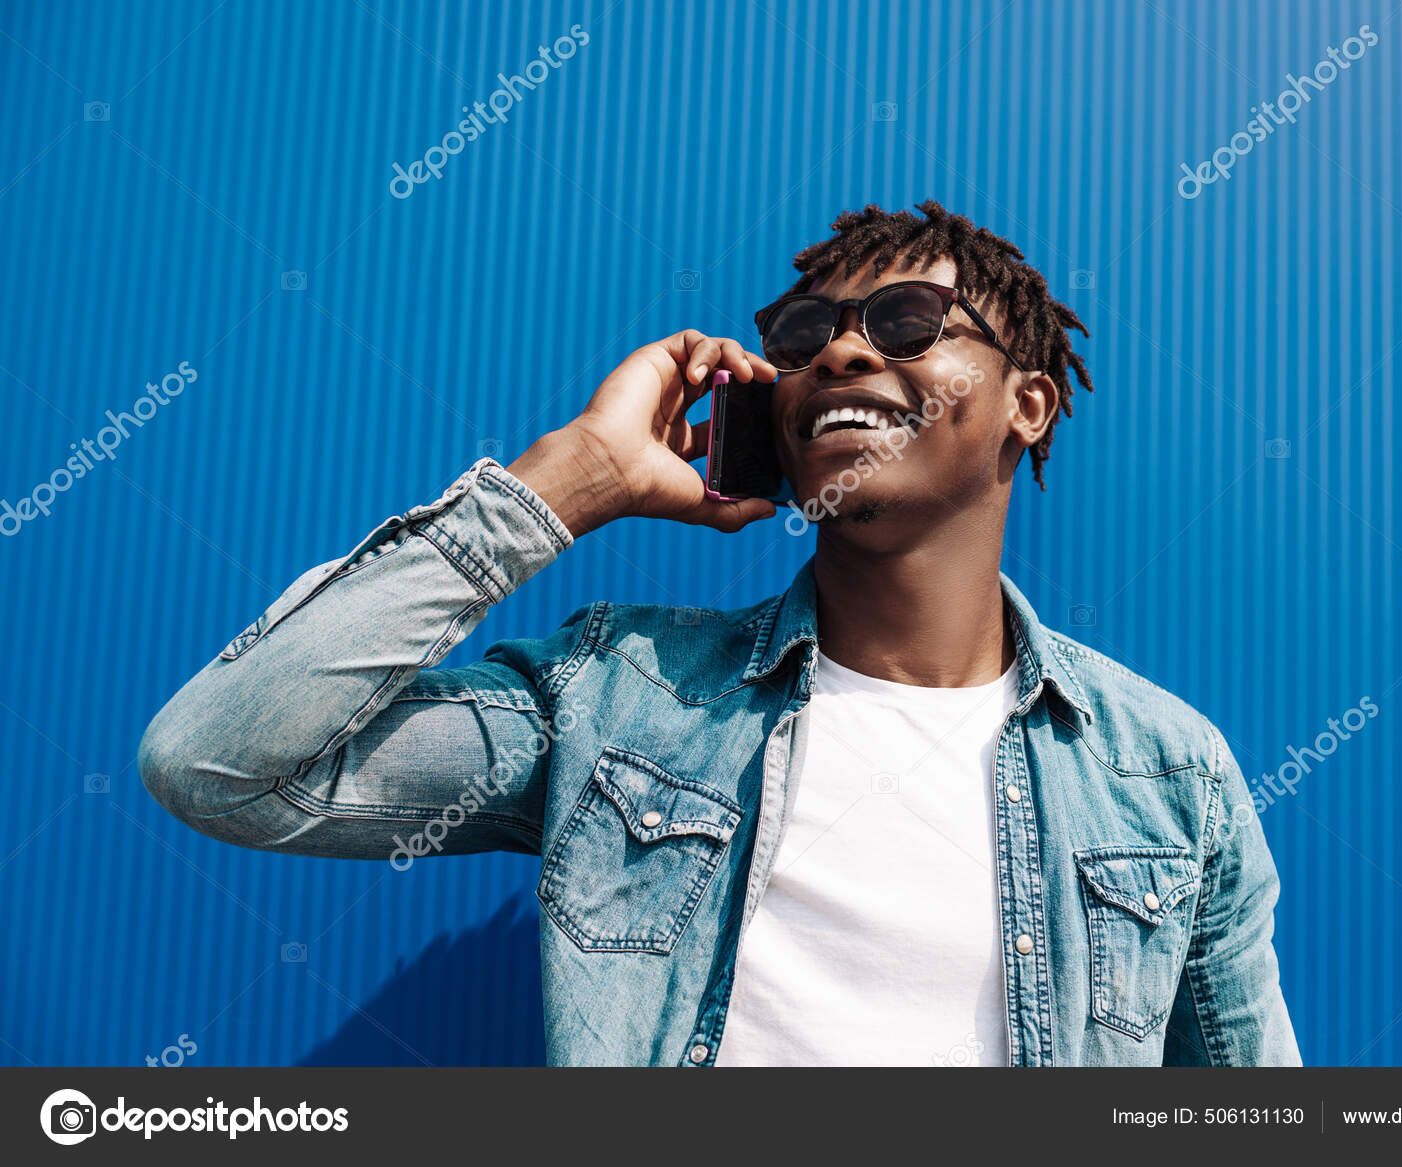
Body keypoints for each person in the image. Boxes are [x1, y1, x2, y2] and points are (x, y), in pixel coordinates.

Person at [140, 201, 1298, 1066]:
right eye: (801, 336)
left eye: (907, 323)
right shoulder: (620, 695)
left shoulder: (1168, 776)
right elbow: (222, 767)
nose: (840, 353)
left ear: (1026, 405)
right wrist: (567, 481)